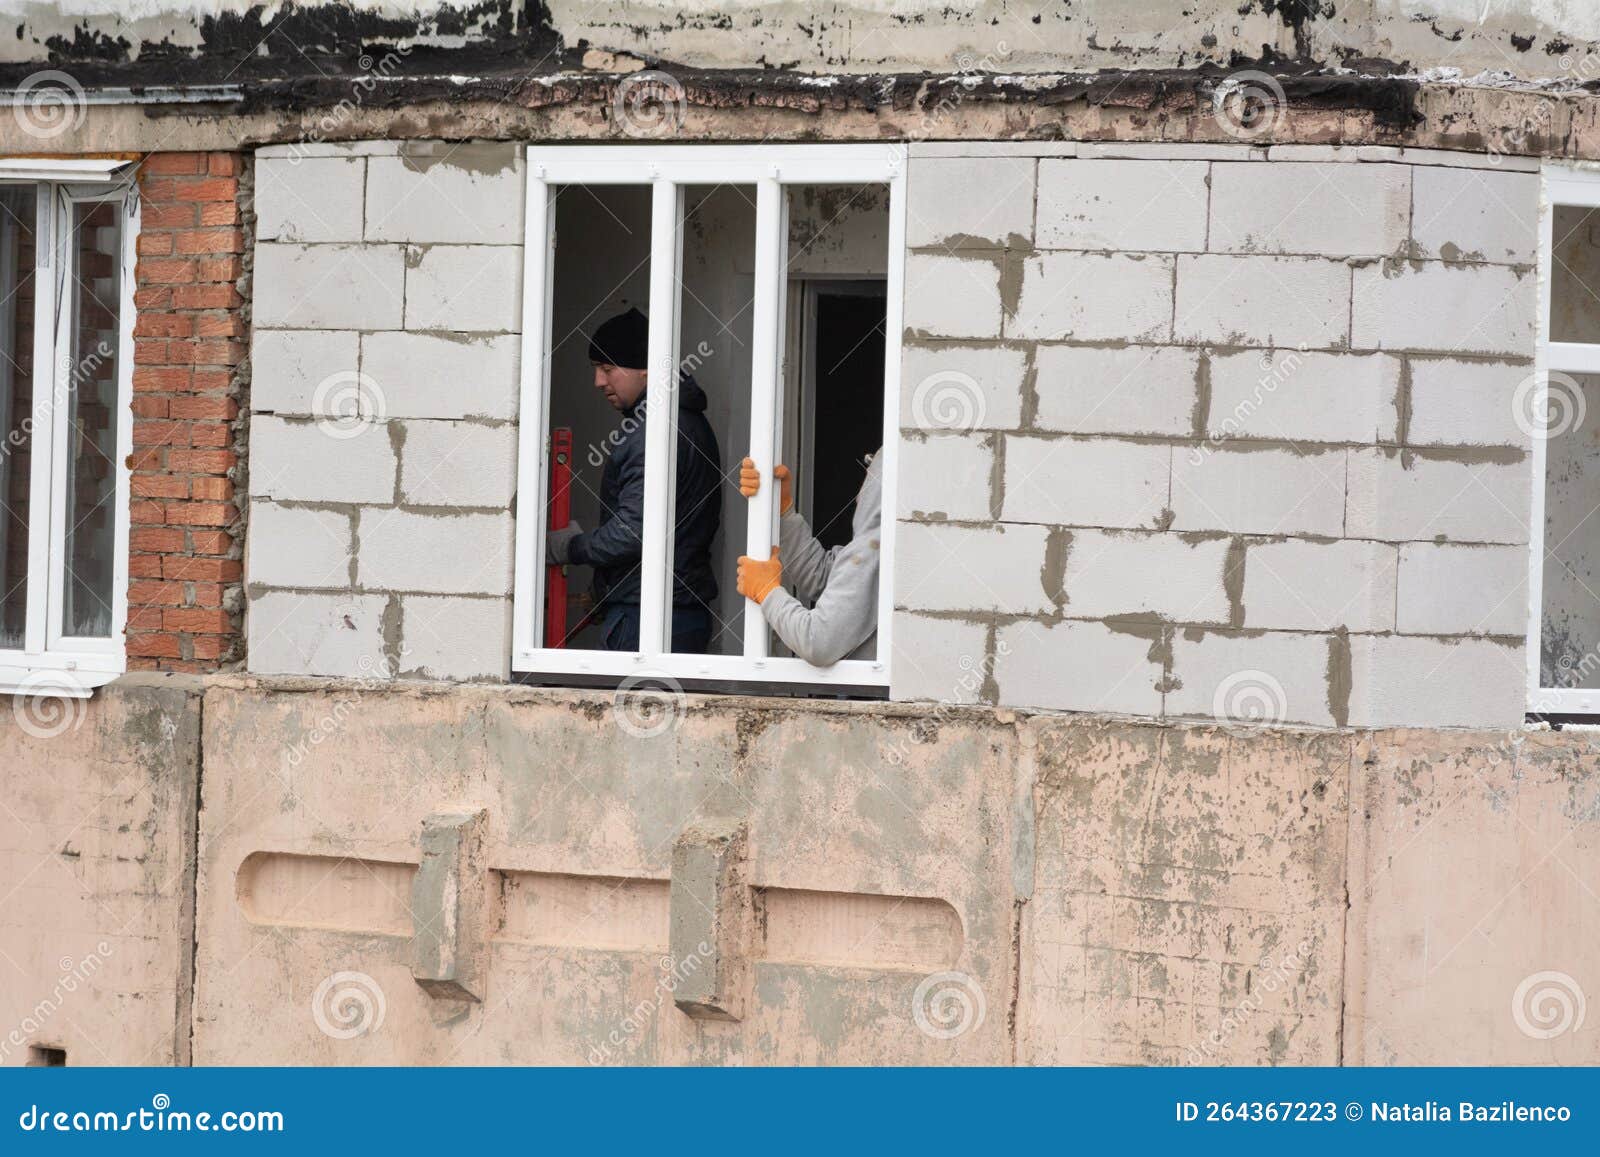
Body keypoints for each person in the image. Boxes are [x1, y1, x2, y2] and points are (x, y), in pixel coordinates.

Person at [545, 308, 721, 653]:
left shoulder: (656, 433)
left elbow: (632, 532)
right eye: (597, 369)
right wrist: (608, 590)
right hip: (668, 609)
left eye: (607, 369)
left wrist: (569, 547)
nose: (598, 382)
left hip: (647, 617)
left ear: (646, 369)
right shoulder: (681, 422)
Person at [735, 449, 882, 666]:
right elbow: (822, 577)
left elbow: (818, 642)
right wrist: (782, 511)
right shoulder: (873, 545)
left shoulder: (877, 547)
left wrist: (767, 592)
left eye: (871, 467)